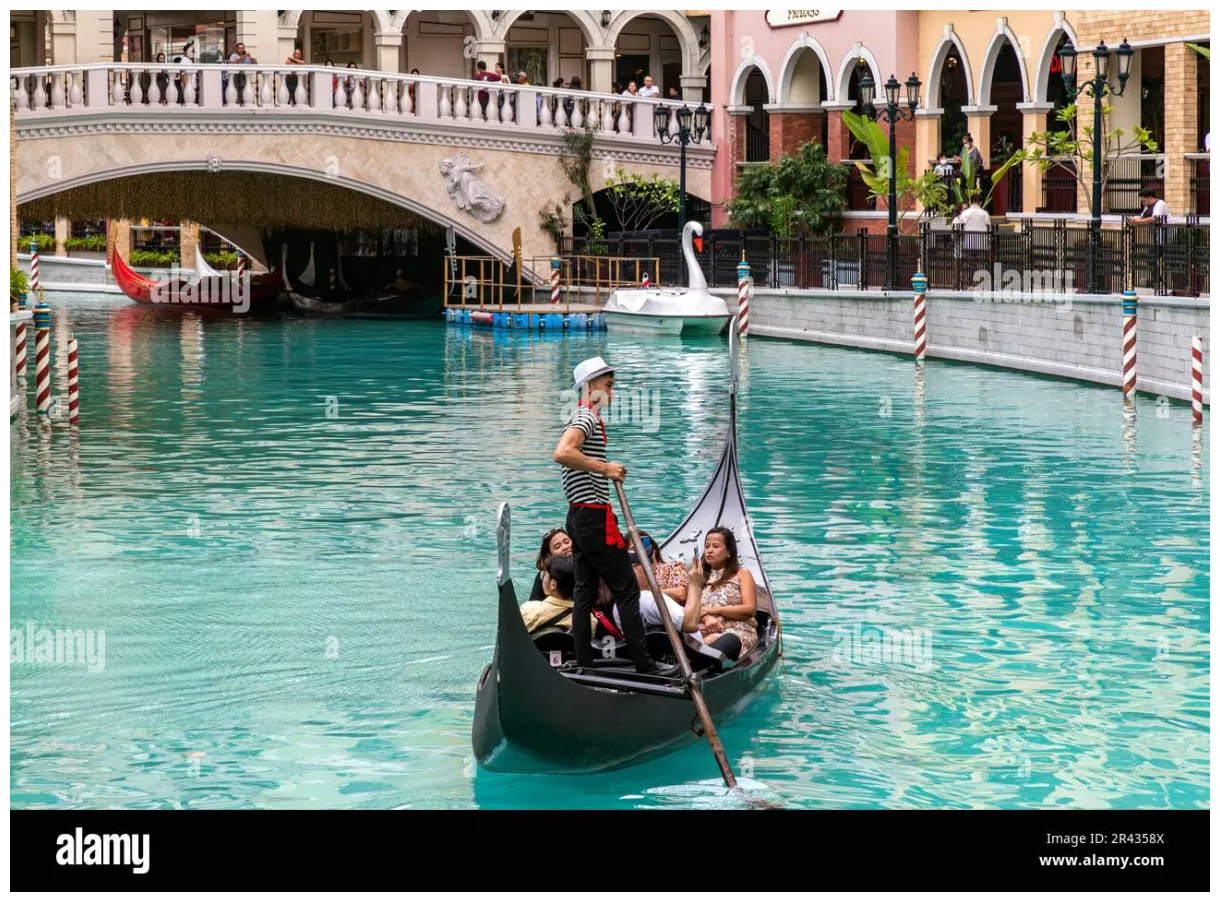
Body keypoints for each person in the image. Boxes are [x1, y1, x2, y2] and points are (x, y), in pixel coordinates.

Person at [552, 357, 677, 676]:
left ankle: (584, 662)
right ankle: (644, 664)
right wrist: (605, 468)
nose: (612, 391)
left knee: (583, 591)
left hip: (577, 517)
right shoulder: (585, 415)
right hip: (593, 518)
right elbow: (563, 453)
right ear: (589, 386)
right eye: (608, 385)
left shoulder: (580, 415)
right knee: (628, 590)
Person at [679, 527, 758, 661]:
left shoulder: (742, 574)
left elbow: (750, 609)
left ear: (729, 552)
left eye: (715, 546)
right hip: (701, 631)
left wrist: (715, 610)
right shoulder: (697, 576)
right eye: (707, 546)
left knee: (716, 642)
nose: (709, 550)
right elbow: (688, 609)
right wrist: (706, 617)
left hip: (736, 632)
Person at [529, 528, 572, 601]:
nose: (565, 547)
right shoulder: (545, 576)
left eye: (567, 542)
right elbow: (534, 603)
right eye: (557, 547)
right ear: (549, 555)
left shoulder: (587, 567)